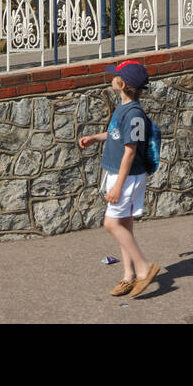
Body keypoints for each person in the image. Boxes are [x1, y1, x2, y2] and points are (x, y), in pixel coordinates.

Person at [76, 61, 161, 299]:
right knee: (123, 225)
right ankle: (128, 276)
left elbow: (130, 151)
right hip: (119, 174)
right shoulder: (122, 107)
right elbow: (116, 134)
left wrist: (117, 186)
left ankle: (144, 268)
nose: (111, 78)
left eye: (115, 76)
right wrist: (95, 137)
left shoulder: (134, 114)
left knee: (111, 224)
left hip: (128, 177)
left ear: (122, 84)